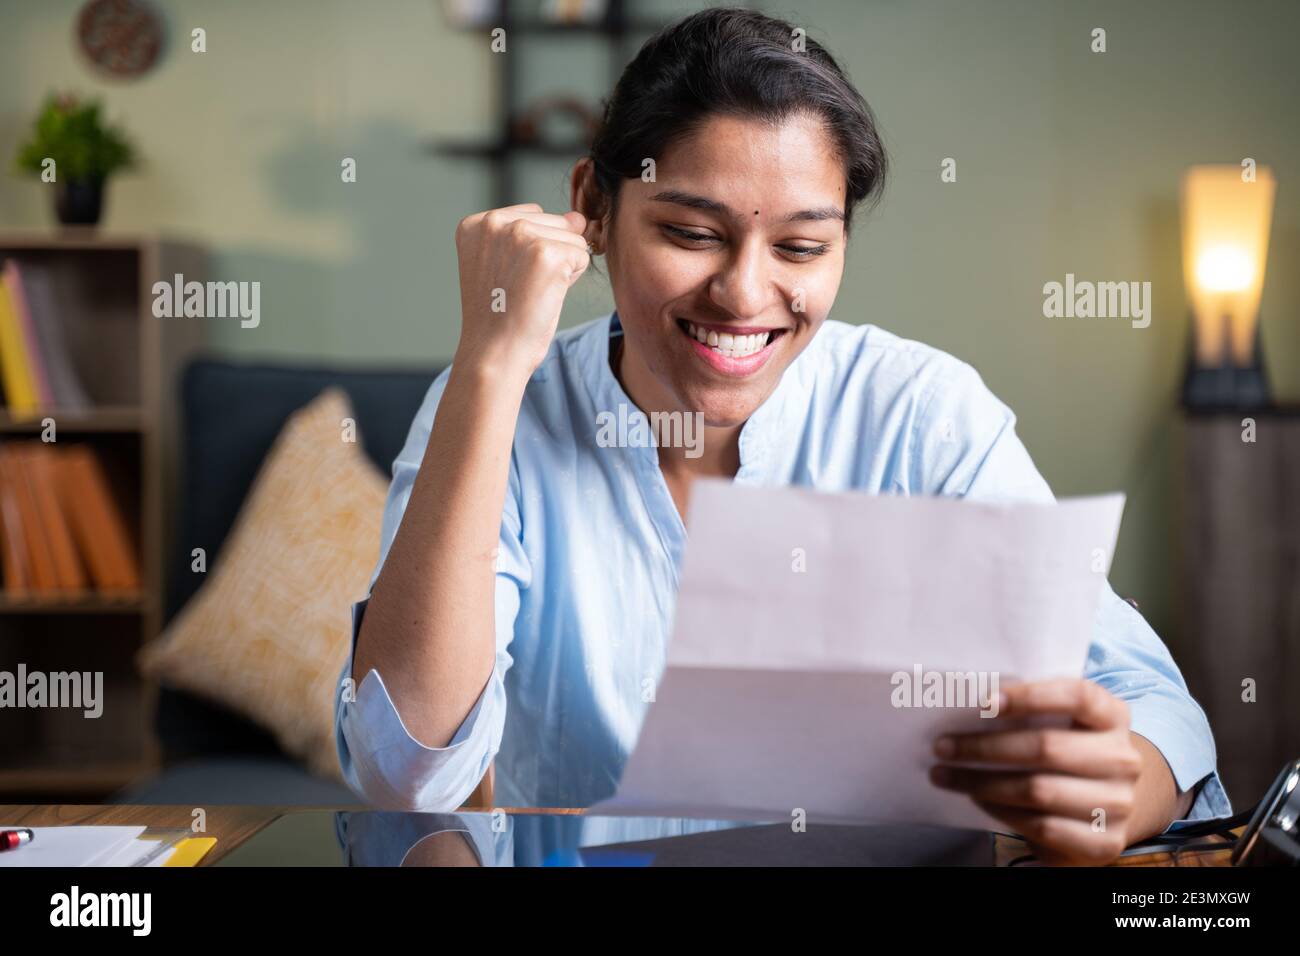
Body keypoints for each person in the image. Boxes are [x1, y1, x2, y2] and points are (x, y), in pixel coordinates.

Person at [336, 7, 1230, 865]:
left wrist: (1115, 790)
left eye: (801, 248)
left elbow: (1155, 709)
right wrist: (490, 367)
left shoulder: (922, 414)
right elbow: (404, 770)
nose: (744, 295)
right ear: (593, 207)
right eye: (690, 232)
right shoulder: (498, 403)